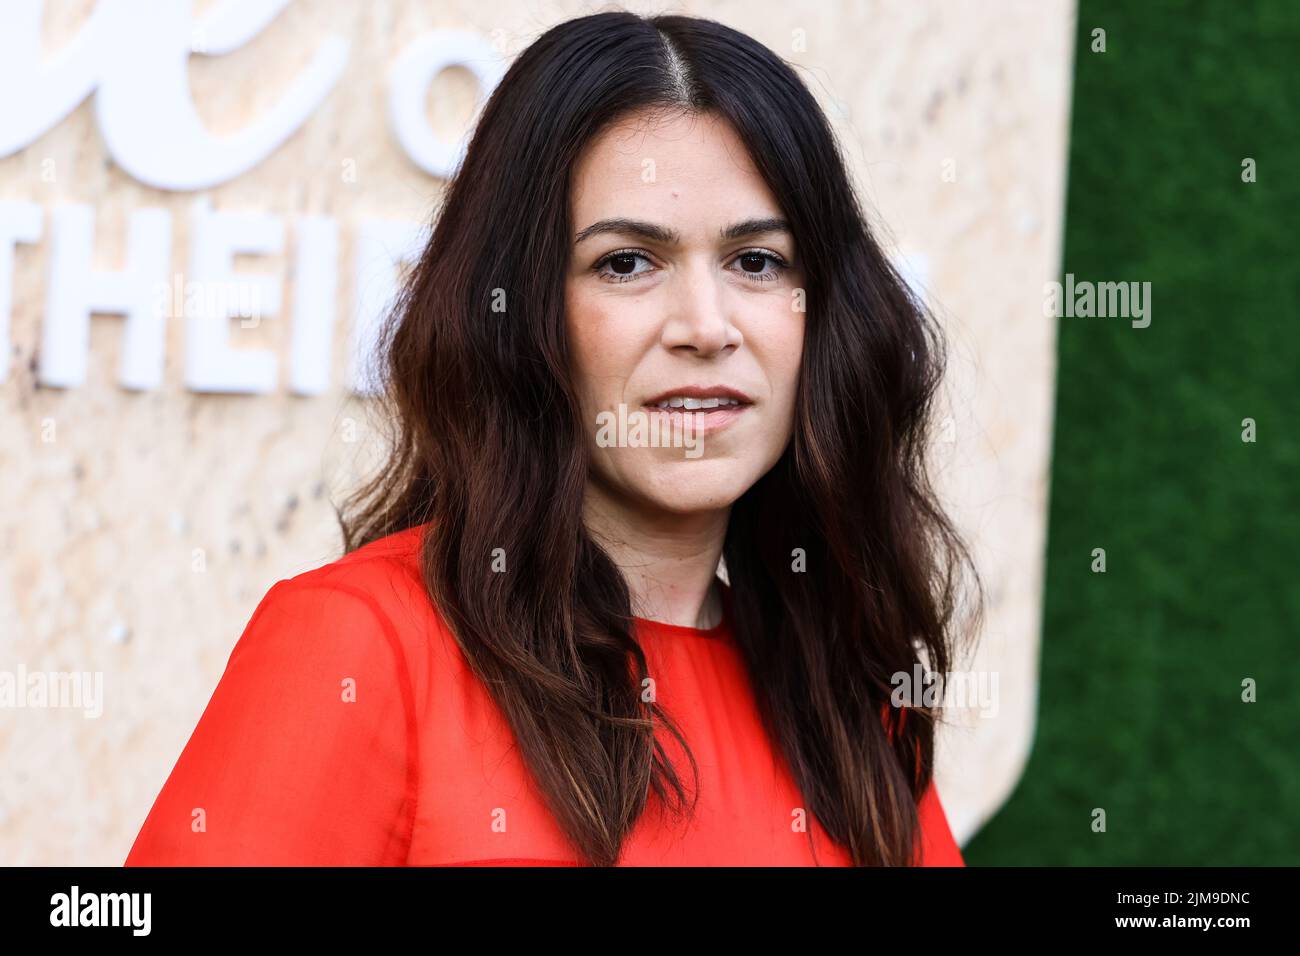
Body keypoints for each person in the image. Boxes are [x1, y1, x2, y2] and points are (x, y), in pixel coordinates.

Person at [125, 10, 979, 867]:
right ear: (521, 315)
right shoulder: (365, 645)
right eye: (626, 263)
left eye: (757, 262)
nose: (705, 326)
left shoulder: (850, 706)